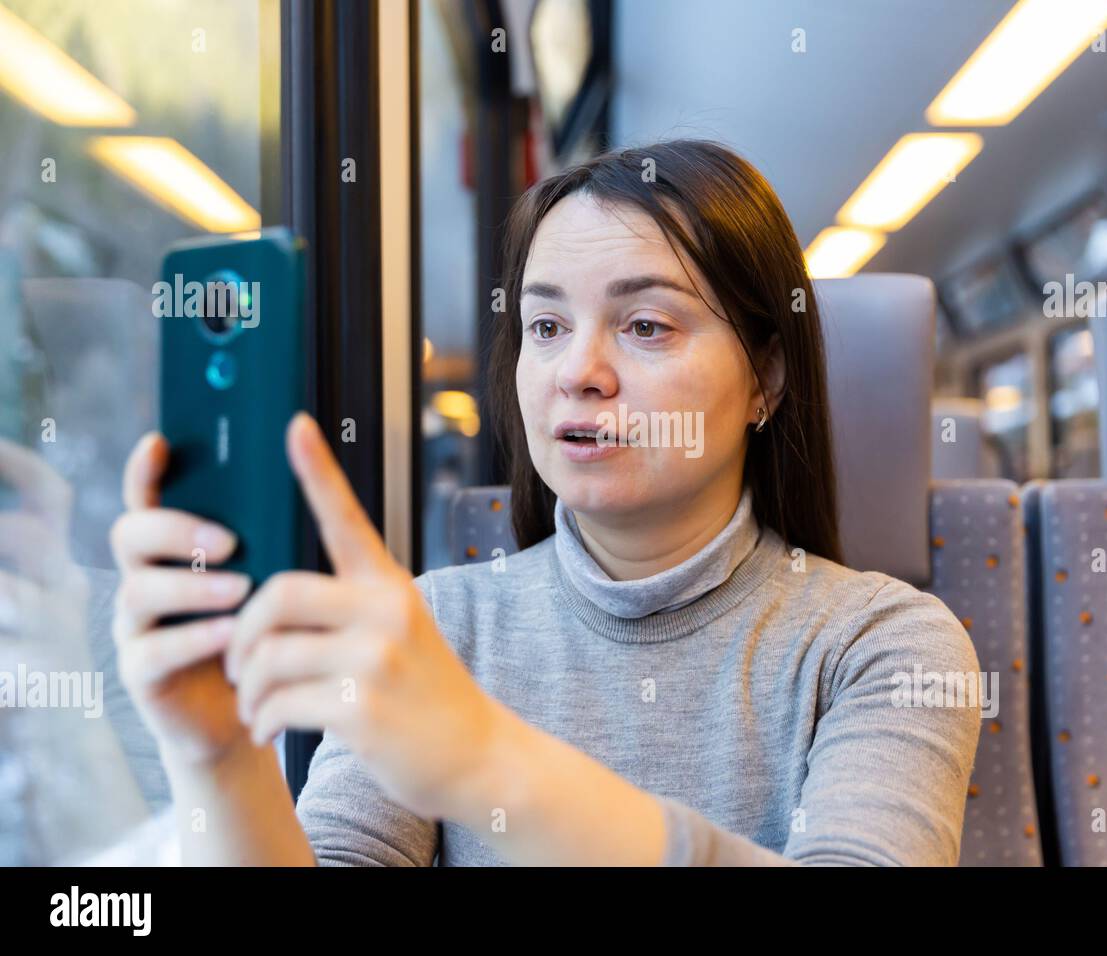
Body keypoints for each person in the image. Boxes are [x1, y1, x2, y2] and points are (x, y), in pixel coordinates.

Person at [108, 139, 980, 866]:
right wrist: (217, 755)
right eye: (547, 327)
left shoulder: (884, 644)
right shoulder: (437, 627)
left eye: (646, 325)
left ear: (767, 378)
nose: (577, 373)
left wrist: (485, 761)